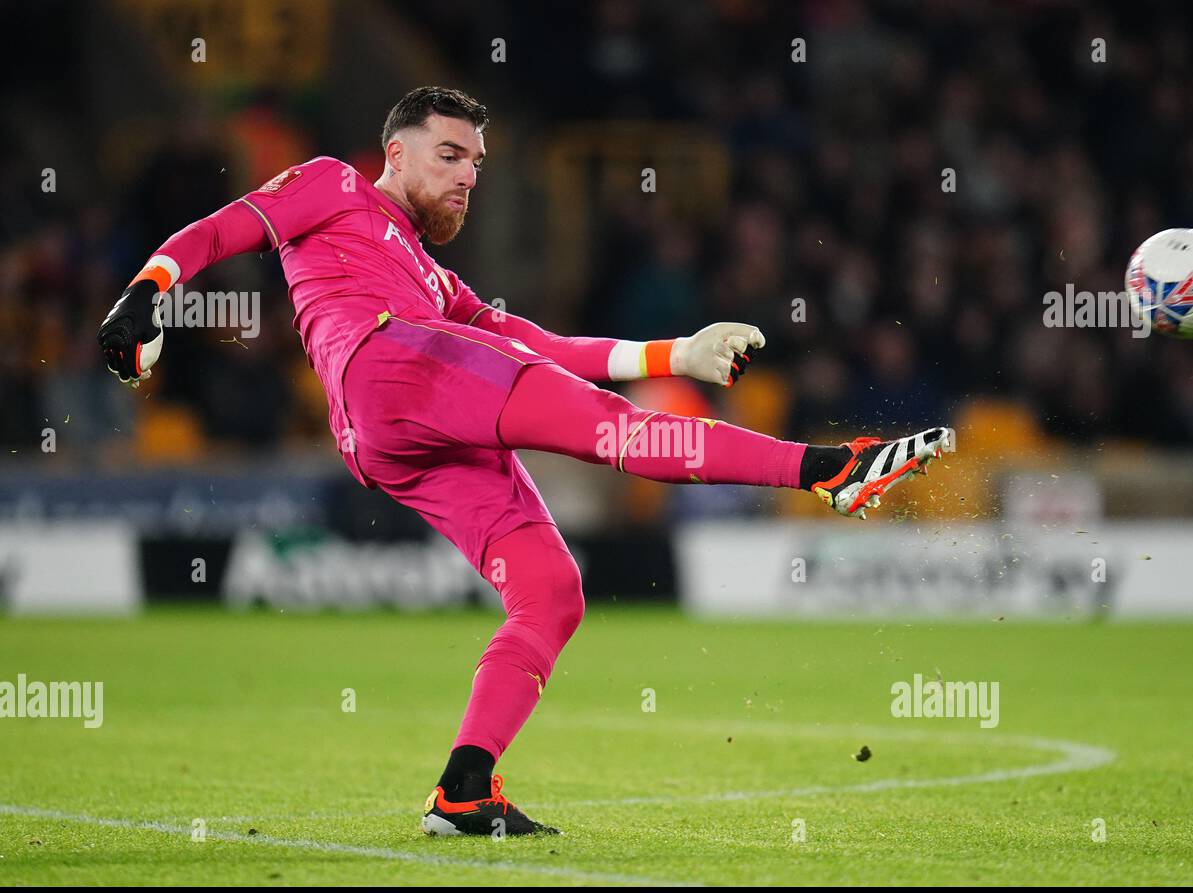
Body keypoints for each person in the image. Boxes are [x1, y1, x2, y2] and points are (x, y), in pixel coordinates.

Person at [97, 87, 955, 836]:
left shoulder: (435, 281)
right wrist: (148, 290)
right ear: (395, 153)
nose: (469, 173)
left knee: (551, 589)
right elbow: (228, 227)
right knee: (611, 431)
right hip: (390, 361)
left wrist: (675, 355)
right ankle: (828, 469)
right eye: (450, 154)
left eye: (477, 160)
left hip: (394, 438)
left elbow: (533, 342)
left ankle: (463, 790)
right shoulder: (336, 184)